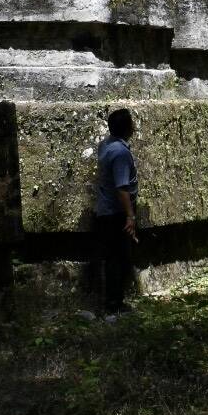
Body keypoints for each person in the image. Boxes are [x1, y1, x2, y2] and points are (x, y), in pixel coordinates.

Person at [93, 107, 138, 321]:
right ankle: (114, 304)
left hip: (104, 209)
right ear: (127, 127)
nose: (134, 125)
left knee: (112, 258)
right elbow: (122, 187)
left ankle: (112, 301)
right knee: (118, 259)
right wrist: (130, 215)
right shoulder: (120, 152)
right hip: (116, 212)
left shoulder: (106, 145)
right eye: (131, 122)